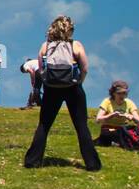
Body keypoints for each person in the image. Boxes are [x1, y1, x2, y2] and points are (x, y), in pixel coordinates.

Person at [23, 16, 100, 172]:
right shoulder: (76, 45)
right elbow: (85, 68)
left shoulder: (46, 46)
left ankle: (33, 160)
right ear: (69, 30)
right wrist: (79, 82)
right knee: (81, 126)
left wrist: (47, 81)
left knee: (44, 125)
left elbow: (40, 68)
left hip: (52, 88)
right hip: (73, 87)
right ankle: (92, 164)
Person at [95, 80, 139, 148]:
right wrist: (111, 115)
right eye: (119, 93)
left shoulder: (129, 103)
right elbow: (98, 119)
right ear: (114, 93)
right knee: (108, 134)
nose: (122, 95)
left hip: (122, 128)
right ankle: (118, 142)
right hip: (108, 128)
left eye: (124, 93)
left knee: (132, 131)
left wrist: (131, 117)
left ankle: (117, 142)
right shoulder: (107, 102)